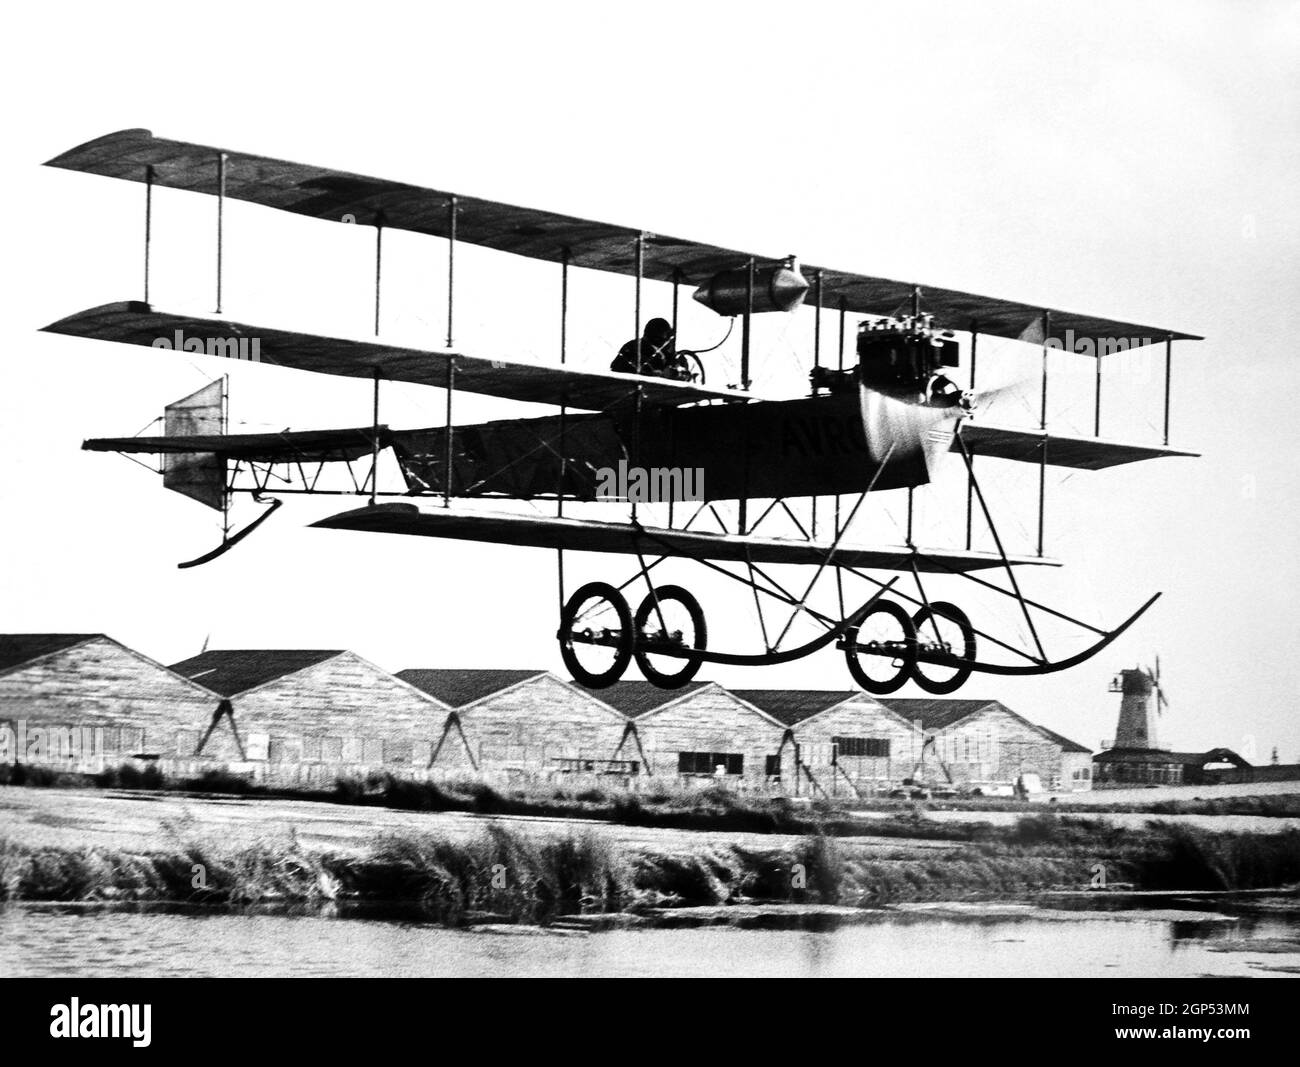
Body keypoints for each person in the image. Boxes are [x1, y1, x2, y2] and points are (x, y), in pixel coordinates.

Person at [611, 318, 675, 377]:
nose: (669, 341)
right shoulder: (635, 347)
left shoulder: (663, 353)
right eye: (667, 336)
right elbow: (618, 369)